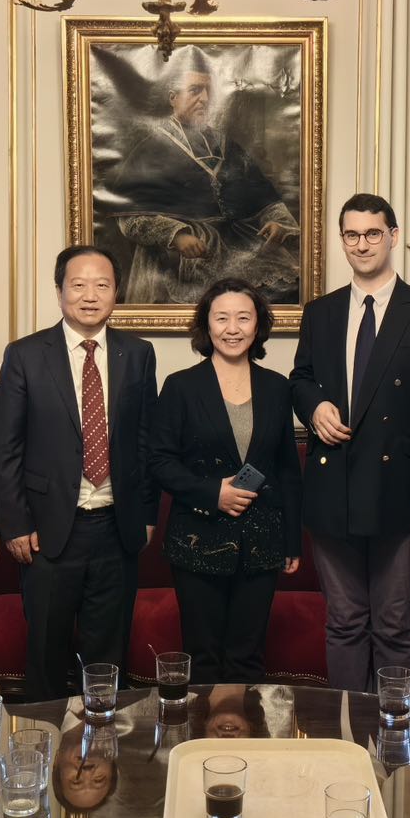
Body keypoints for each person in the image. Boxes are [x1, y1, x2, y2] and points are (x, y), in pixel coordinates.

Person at [290, 193, 410, 691]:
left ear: (392, 236)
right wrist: (315, 405)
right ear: (341, 239)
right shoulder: (319, 313)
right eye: (351, 235)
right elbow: (300, 379)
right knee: (343, 622)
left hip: (400, 496)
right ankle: (346, 736)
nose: (361, 244)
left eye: (372, 233)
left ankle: (395, 736)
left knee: (392, 625)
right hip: (332, 490)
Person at [0, 246, 159, 701]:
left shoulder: (138, 354)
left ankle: (106, 752)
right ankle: (43, 754)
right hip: (47, 531)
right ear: (59, 290)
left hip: (115, 527)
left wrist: (144, 513)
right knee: (46, 651)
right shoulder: (25, 355)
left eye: (102, 285)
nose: (90, 295)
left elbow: (145, 441)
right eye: (78, 285)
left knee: (109, 655)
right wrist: (16, 523)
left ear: (116, 293)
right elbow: (5, 448)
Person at [152, 279, 302, 682]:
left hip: (262, 542)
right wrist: (211, 493)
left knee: (248, 657)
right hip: (198, 539)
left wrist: (291, 540)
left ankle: (246, 744)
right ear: (207, 324)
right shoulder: (181, 386)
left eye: (243, 317)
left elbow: (287, 467)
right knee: (202, 659)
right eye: (221, 318)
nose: (232, 328)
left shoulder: (276, 387)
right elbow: (160, 461)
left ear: (258, 326)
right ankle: (200, 745)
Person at [103, 47, 302, 305]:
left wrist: (277, 222)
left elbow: (261, 194)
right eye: (195, 90)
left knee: (287, 286)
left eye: (208, 91)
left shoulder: (224, 144)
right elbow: (130, 219)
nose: (205, 98)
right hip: (180, 256)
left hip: (235, 242)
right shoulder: (152, 148)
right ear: (173, 98)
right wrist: (177, 236)